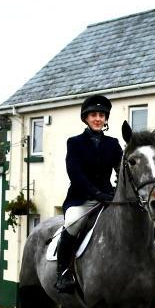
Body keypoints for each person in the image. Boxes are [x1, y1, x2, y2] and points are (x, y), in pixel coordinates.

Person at [54, 94, 122, 294]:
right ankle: (63, 272)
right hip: (81, 199)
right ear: (86, 118)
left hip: (108, 198)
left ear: (106, 119)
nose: (98, 119)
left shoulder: (113, 143)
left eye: (102, 115)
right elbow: (75, 175)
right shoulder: (74, 143)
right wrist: (97, 194)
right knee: (72, 223)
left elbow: (121, 170)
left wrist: (117, 193)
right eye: (94, 115)